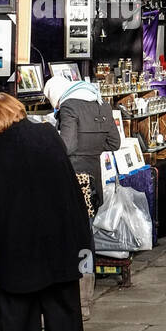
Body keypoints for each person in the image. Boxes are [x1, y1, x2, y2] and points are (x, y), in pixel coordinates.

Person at [0, 92, 89, 331]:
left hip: (19, 240)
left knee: (18, 308)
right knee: (63, 303)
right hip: (60, 234)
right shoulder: (48, 134)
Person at [44, 75, 119, 318]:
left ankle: (73, 300)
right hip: (94, 178)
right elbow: (114, 142)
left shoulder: (69, 106)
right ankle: (85, 299)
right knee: (86, 239)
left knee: (69, 239)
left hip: (72, 180)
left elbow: (66, 146)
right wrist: (92, 149)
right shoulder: (101, 103)